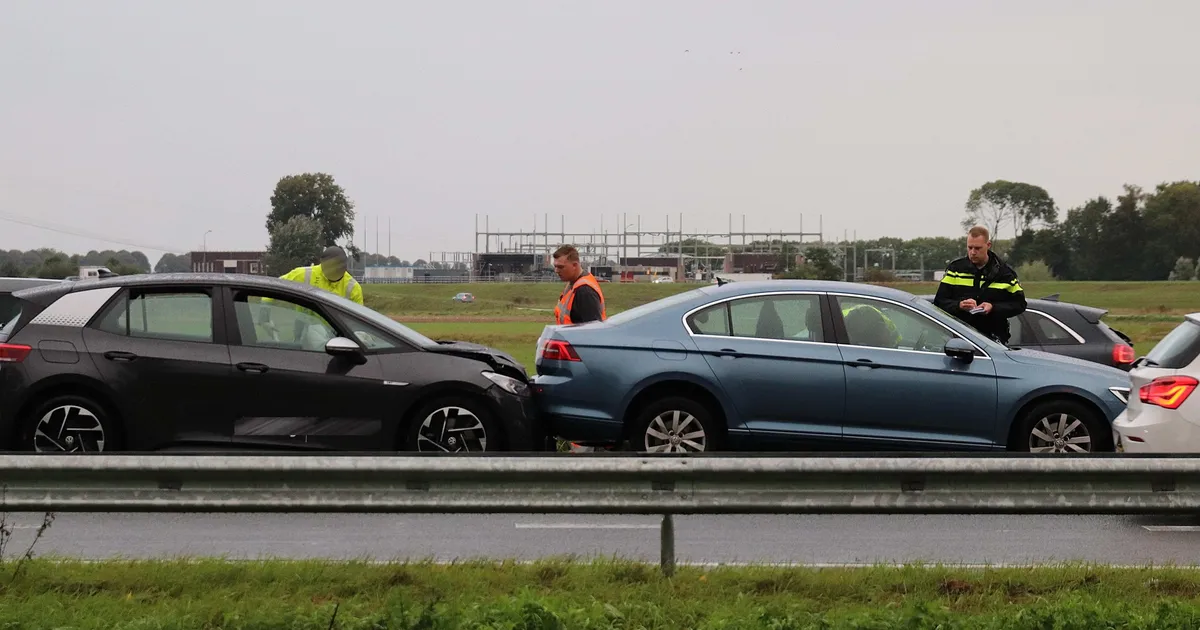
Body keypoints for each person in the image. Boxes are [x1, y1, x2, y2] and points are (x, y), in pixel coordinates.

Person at [934, 225, 1027, 344]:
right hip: (959, 339)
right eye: (970, 247)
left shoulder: (1005, 274)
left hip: (993, 341)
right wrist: (959, 305)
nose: (973, 252)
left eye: (978, 248)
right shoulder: (955, 270)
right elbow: (939, 302)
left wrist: (993, 307)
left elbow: (1019, 304)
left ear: (988, 245)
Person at [280, 245, 364, 305]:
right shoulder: (303, 274)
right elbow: (276, 287)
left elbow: (358, 318)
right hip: (304, 325)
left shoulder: (353, 288)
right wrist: (266, 312)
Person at [552, 245, 606, 325]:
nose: (556, 270)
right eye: (555, 266)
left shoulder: (585, 291)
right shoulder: (573, 283)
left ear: (575, 265)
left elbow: (593, 330)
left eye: (560, 267)